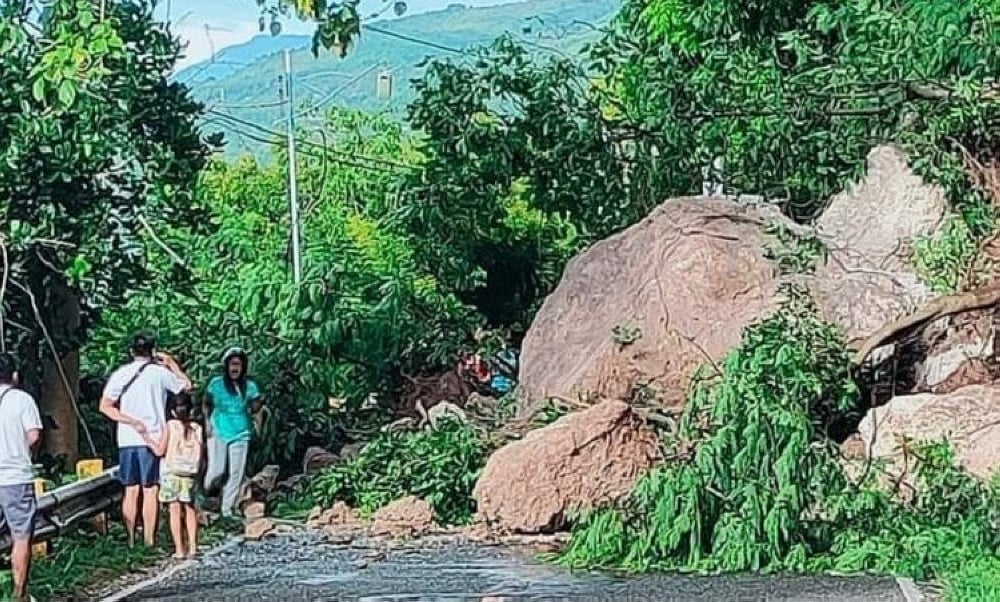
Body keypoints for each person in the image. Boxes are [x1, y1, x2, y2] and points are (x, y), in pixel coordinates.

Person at [99, 333, 192, 547]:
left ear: (132, 351)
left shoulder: (121, 374)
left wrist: (129, 420)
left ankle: (131, 539)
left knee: (130, 489)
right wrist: (172, 364)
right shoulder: (159, 374)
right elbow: (186, 386)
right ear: (152, 351)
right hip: (153, 438)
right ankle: (149, 540)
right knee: (151, 489)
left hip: (126, 439)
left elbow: (105, 406)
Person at [0, 353, 43, 602]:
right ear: (14, 375)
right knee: (21, 536)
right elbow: (34, 435)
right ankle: (19, 593)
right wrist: (22, 450)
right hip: (15, 476)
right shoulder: (22, 400)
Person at [142, 392, 203, 560]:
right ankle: (193, 546)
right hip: (189, 473)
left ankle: (179, 549)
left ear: (173, 411)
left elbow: (160, 450)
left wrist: (147, 439)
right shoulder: (197, 428)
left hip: (171, 472)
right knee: (190, 509)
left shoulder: (170, 426)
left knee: (174, 510)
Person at [203, 347, 262, 518]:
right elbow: (206, 404)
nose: (235, 368)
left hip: (241, 432)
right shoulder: (216, 384)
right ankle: (205, 494)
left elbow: (256, 408)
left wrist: (258, 422)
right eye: (232, 364)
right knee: (217, 470)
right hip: (219, 429)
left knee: (236, 472)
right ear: (226, 366)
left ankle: (226, 509)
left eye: (238, 365)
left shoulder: (250, 387)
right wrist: (207, 424)